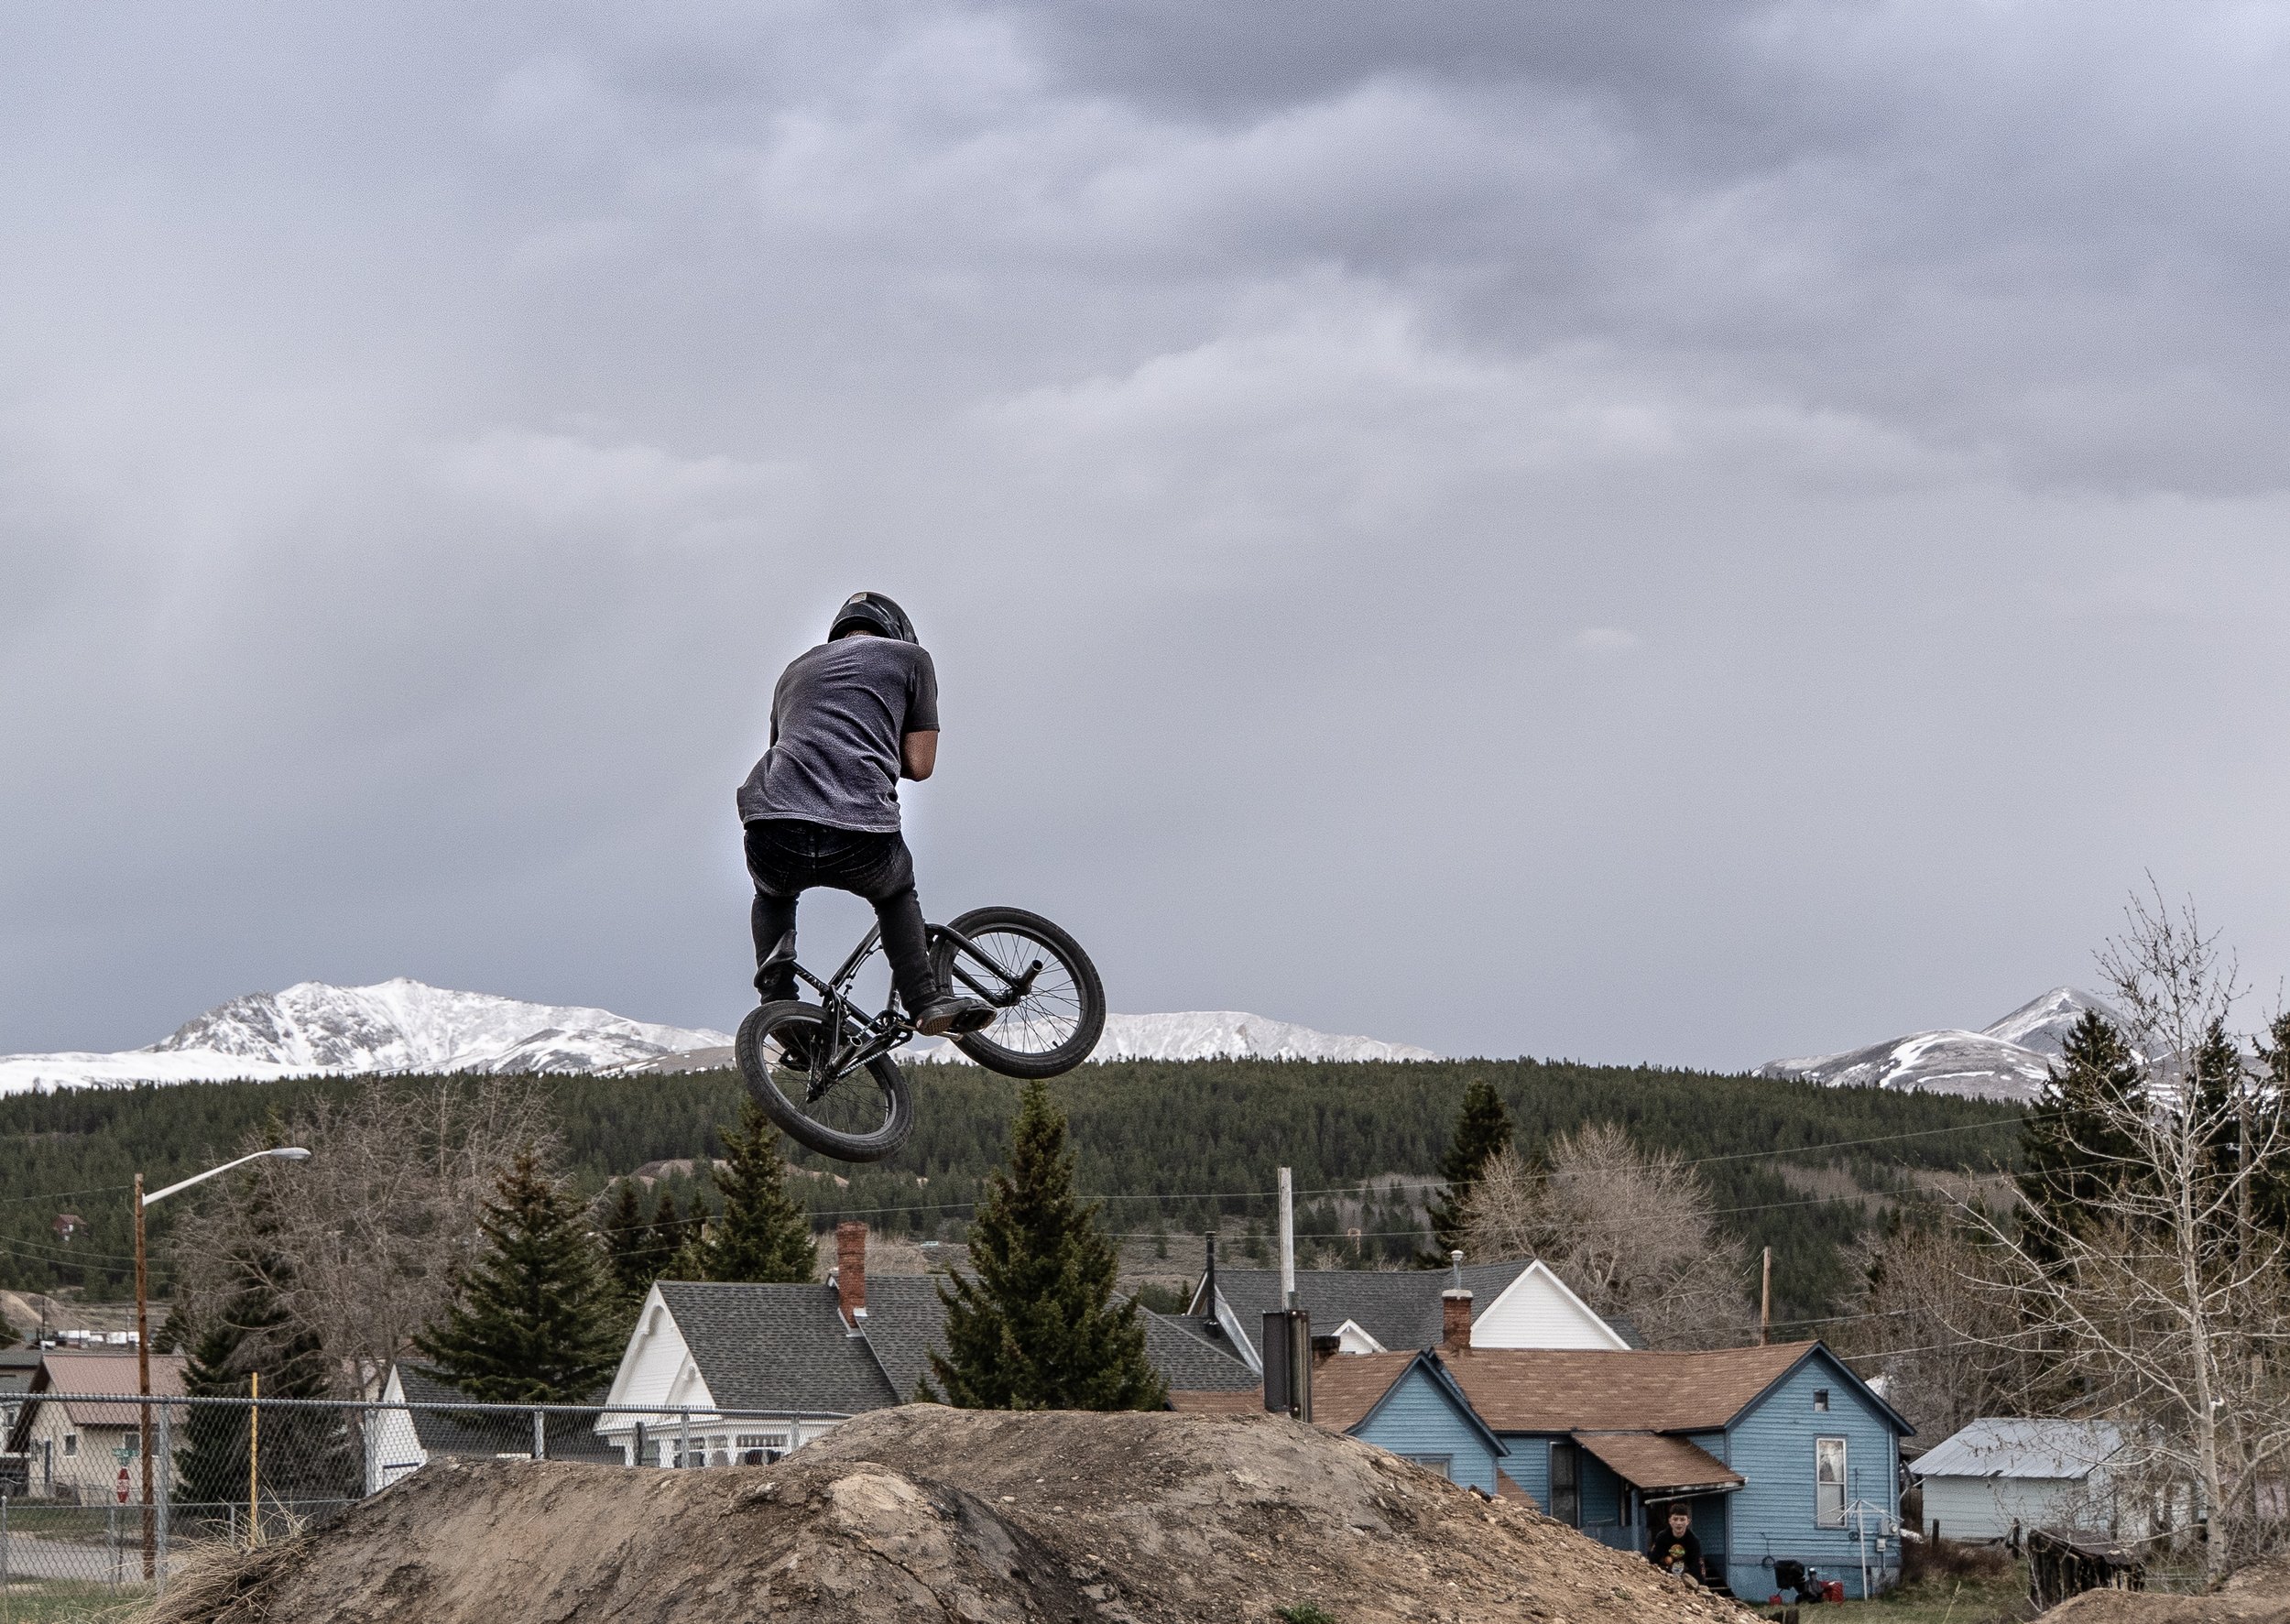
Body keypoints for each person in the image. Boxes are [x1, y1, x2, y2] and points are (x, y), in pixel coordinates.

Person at [737, 592, 993, 1038]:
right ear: (897, 631)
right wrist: (876, 740)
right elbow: (920, 764)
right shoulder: (912, 659)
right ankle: (925, 1000)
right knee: (895, 892)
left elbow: (784, 747)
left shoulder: (793, 672)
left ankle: (777, 1007)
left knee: (773, 894)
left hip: (771, 821)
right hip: (857, 823)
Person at [1647, 1501, 1705, 1583]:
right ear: (1670, 1521)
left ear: (1688, 1521)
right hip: (1664, 1578)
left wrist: (1698, 1585)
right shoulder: (1662, 1537)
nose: (1678, 1523)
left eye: (1682, 1519)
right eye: (1675, 1519)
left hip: (1686, 1579)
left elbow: (1698, 1566)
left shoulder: (1694, 1541)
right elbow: (1652, 1560)